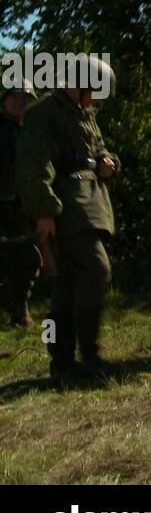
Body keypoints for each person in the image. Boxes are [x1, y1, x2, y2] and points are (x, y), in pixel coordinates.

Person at [17, 57, 120, 379]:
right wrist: (44, 211)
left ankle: (62, 362)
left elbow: (98, 148)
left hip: (89, 205)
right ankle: (89, 356)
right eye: (96, 94)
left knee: (66, 285)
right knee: (96, 269)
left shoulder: (84, 112)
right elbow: (33, 166)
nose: (98, 103)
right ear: (82, 84)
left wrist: (108, 162)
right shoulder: (44, 113)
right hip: (64, 208)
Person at [0, 80, 41, 328]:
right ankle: (18, 313)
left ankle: (18, 312)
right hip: (4, 206)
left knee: (27, 259)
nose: (20, 102)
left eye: (26, 98)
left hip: (22, 206)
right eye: (14, 98)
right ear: (4, 102)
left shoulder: (34, 132)